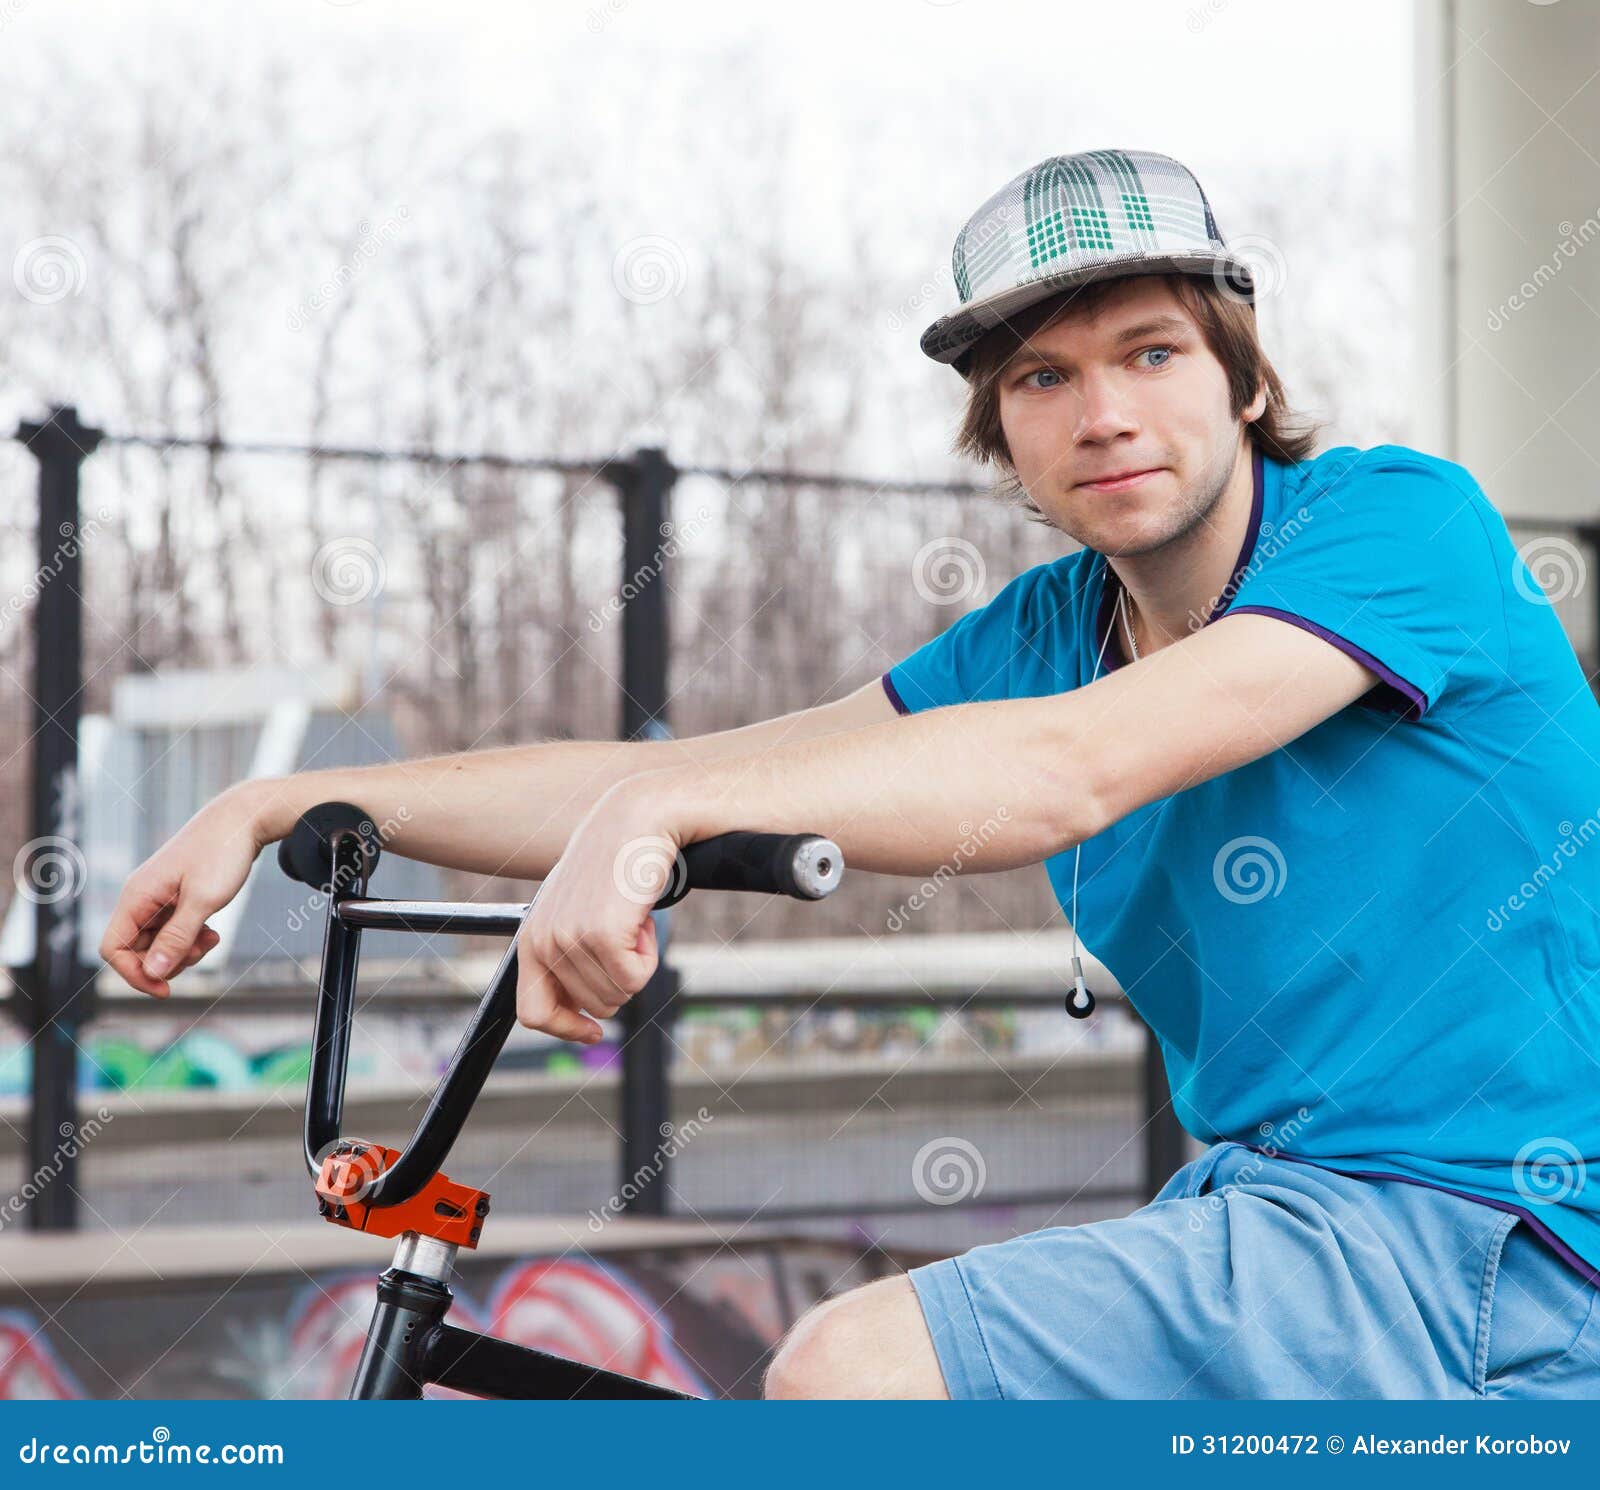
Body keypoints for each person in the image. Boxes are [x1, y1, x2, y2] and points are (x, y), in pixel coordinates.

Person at [102, 147, 1600, 1400]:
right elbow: (711, 770)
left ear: (1236, 373)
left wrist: (661, 816)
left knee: (852, 1371)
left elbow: (1075, 771)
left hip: (1500, 1240)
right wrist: (278, 805)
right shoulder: (1040, 636)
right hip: (1281, 1228)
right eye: (1041, 377)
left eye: (1151, 352)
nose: (1103, 413)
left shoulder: (1398, 528)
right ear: (1000, 430)